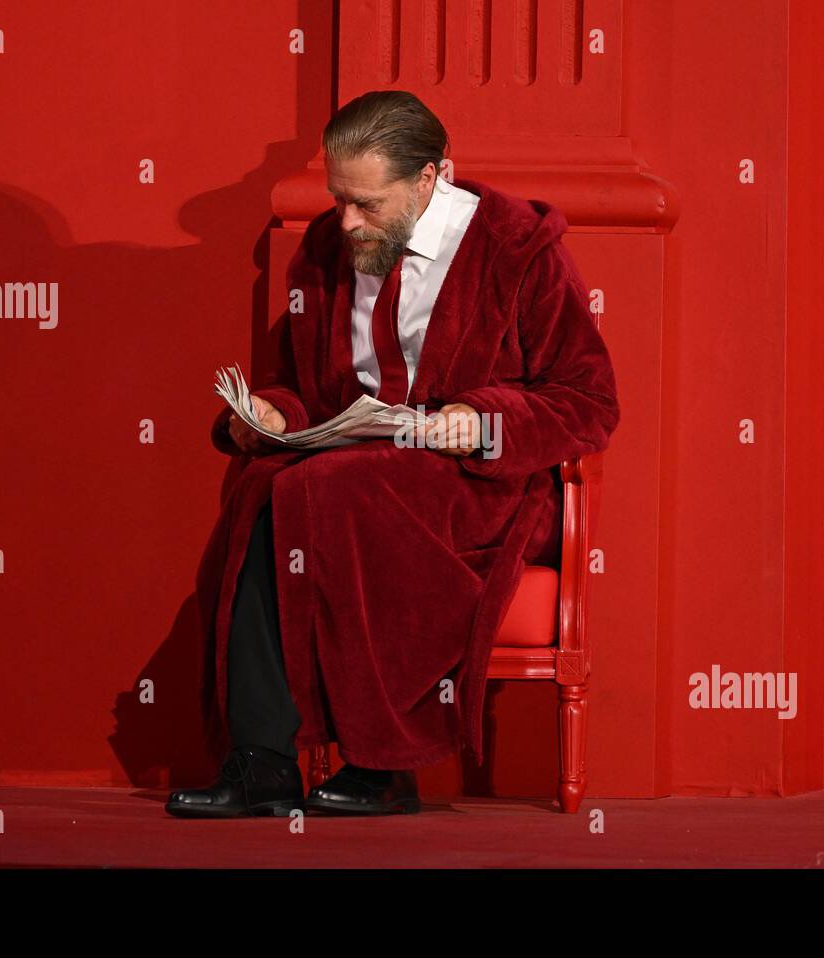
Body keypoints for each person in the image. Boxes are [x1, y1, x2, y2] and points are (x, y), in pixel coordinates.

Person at [166, 89, 619, 819]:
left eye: (367, 204)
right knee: (263, 486)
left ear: (431, 178)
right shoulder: (327, 247)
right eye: (339, 198)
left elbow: (590, 400)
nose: (345, 221)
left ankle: (381, 764)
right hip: (362, 460)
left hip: (482, 485)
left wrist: (479, 419)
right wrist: (277, 414)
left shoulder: (515, 249)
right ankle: (261, 761)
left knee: (341, 491)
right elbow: (313, 382)